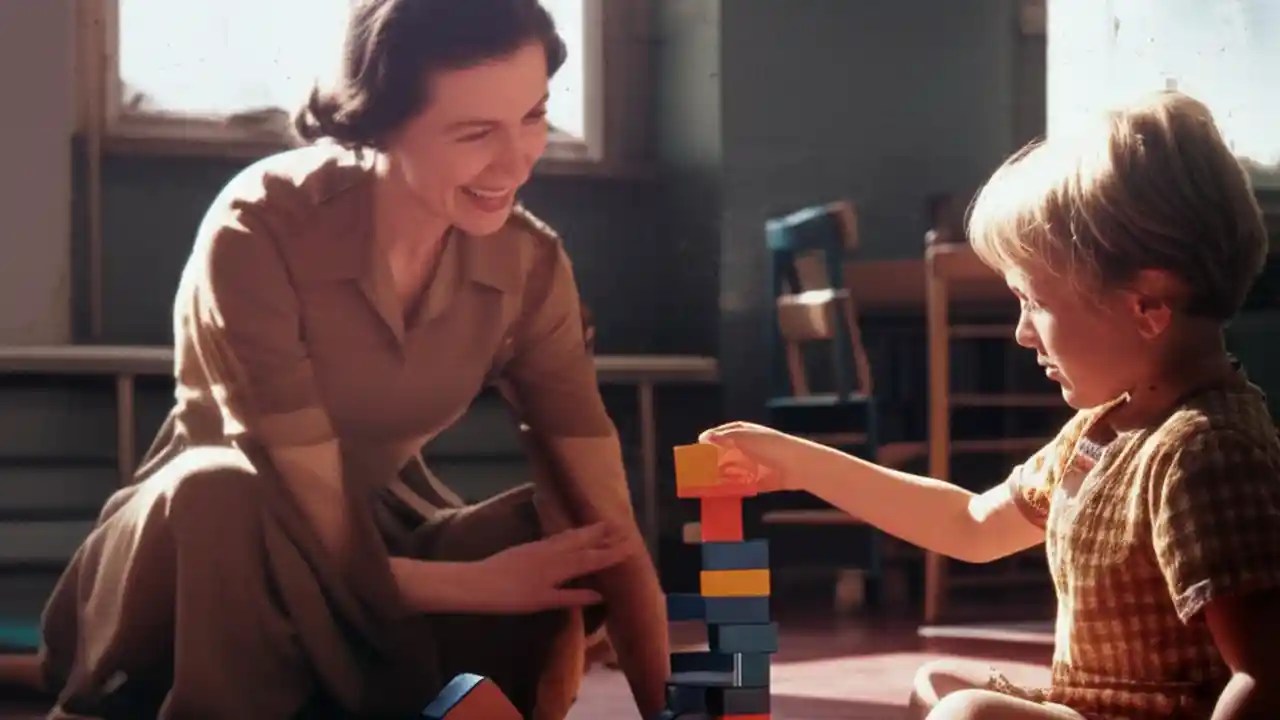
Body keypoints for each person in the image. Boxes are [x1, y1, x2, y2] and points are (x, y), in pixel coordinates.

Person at [36, 0, 670, 717]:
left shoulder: (530, 263)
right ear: (378, 119)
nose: (519, 158)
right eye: (474, 132)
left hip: (382, 543)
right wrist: (475, 587)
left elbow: (607, 522)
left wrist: (666, 704)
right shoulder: (260, 226)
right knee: (224, 489)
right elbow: (301, 519)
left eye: (533, 114)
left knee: (561, 532)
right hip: (206, 556)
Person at [702, 91, 1280, 720]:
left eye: (1035, 302)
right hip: (1092, 704)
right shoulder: (1105, 429)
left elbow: (1266, 675)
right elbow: (971, 526)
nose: (1022, 332)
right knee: (940, 687)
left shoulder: (1203, 451)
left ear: (1147, 305)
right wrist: (798, 465)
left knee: (966, 716)